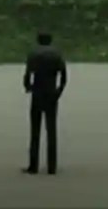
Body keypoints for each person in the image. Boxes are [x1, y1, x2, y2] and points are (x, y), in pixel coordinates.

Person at [22, 32, 67, 175]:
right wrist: (59, 91)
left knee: (35, 131)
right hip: (51, 93)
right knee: (51, 130)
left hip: (38, 93)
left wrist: (28, 87)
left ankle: (33, 165)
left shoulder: (34, 54)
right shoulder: (56, 54)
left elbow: (28, 73)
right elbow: (64, 75)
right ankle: (51, 167)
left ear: (38, 40)